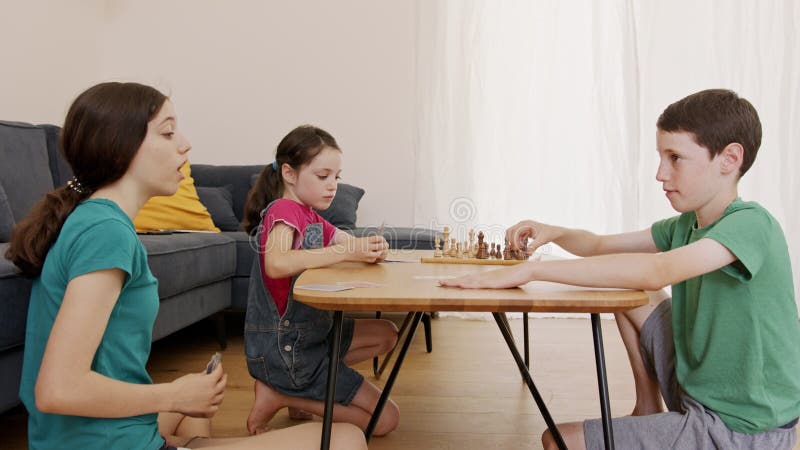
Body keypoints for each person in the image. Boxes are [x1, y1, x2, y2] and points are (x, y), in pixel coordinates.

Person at [7, 82, 366, 450]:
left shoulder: (94, 219)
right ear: (120, 148)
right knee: (347, 439)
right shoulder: (105, 232)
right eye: (167, 132)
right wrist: (171, 396)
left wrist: (181, 397)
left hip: (86, 432)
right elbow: (57, 389)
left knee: (199, 402)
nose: (185, 143)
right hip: (102, 443)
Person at [440, 89, 800, 449]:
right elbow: (598, 246)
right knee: (631, 295)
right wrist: (555, 232)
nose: (660, 173)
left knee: (557, 441)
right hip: (700, 389)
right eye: (660, 157)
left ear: (729, 158)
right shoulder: (685, 225)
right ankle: (646, 407)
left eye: (675, 158)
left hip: (739, 430)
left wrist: (530, 272)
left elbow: (656, 272)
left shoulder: (753, 225)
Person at [241, 125, 400, 436]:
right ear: (289, 173)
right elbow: (276, 263)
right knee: (386, 420)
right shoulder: (283, 210)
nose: (333, 186)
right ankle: (281, 392)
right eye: (323, 176)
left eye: (336, 177)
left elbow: (346, 243)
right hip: (285, 348)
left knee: (386, 334)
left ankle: (302, 390)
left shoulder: (311, 216)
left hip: (312, 337)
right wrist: (343, 251)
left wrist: (368, 249)